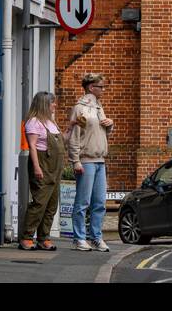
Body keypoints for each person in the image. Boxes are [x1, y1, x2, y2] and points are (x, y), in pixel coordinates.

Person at [68, 73, 115, 251]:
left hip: (100, 160)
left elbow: (100, 133)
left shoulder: (98, 107)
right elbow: (75, 136)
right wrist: (75, 161)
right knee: (83, 202)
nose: (103, 89)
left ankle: (96, 237)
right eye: (100, 86)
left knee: (99, 202)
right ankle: (79, 238)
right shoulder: (80, 108)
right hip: (86, 160)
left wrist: (109, 125)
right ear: (90, 87)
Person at [19, 91, 65, 251]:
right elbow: (32, 146)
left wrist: (73, 126)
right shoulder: (34, 122)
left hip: (55, 169)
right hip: (43, 166)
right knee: (39, 203)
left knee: (51, 205)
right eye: (52, 103)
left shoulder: (51, 122)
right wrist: (37, 167)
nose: (55, 105)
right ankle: (26, 237)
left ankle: (43, 238)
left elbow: (62, 140)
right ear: (44, 104)